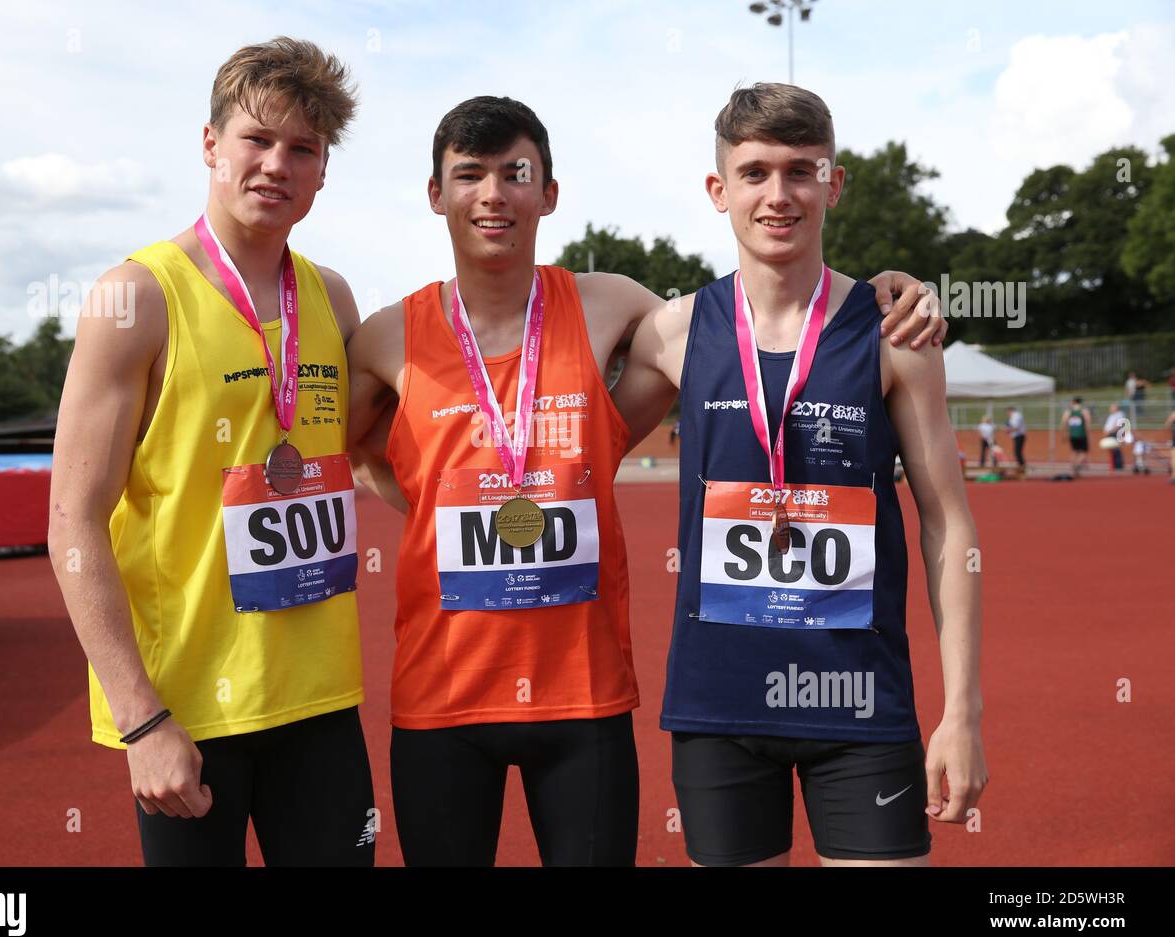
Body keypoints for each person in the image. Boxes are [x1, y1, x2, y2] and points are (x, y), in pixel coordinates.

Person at [345, 95, 947, 866]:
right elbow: (349, 445)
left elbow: (748, 336)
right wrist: (426, 503)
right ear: (437, 194)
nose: (493, 194)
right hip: (442, 692)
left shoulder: (619, 308)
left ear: (549, 194)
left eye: (516, 173)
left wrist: (889, 289)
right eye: (469, 176)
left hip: (586, 697)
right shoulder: (386, 335)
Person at [612, 82, 987, 867]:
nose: (777, 195)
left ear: (834, 183)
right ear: (718, 191)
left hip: (859, 703)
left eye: (800, 171)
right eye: (753, 173)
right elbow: (577, 455)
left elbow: (948, 522)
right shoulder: (671, 333)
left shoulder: (896, 336)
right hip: (719, 709)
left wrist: (963, 712)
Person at [48, 37, 376, 866]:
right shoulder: (138, 297)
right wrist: (140, 719)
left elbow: (371, 454)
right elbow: (72, 521)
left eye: (302, 149)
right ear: (209, 145)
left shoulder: (331, 296)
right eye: (256, 141)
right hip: (189, 710)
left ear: (324, 170)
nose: (276, 166)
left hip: (318, 700)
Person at [1061, 397, 1091, 477]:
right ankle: (1077, 465)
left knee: (1074, 452)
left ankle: (1074, 471)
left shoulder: (1068, 411)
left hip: (1072, 435)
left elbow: (1064, 423)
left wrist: (1064, 434)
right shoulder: (1084, 411)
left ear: (1073, 402)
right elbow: (1087, 423)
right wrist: (1089, 434)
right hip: (1082, 434)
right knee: (1084, 452)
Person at [1102, 403, 1126, 472]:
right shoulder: (1111, 415)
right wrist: (1105, 432)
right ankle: (1113, 465)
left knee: (1116, 449)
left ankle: (1119, 465)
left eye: (1112, 408)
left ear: (1116, 408)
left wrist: (1110, 431)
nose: (1110, 409)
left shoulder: (1120, 414)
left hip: (1115, 433)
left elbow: (1118, 425)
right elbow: (1108, 425)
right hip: (1110, 434)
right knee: (1112, 449)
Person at [1005, 405, 1026, 469]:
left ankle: (1022, 467)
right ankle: (1021, 466)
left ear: (1010, 410)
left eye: (1007, 412)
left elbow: (1016, 427)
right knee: (1017, 452)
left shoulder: (1016, 416)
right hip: (1017, 436)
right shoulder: (1014, 416)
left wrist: (1008, 430)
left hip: (1019, 436)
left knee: (1017, 452)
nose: (1007, 414)